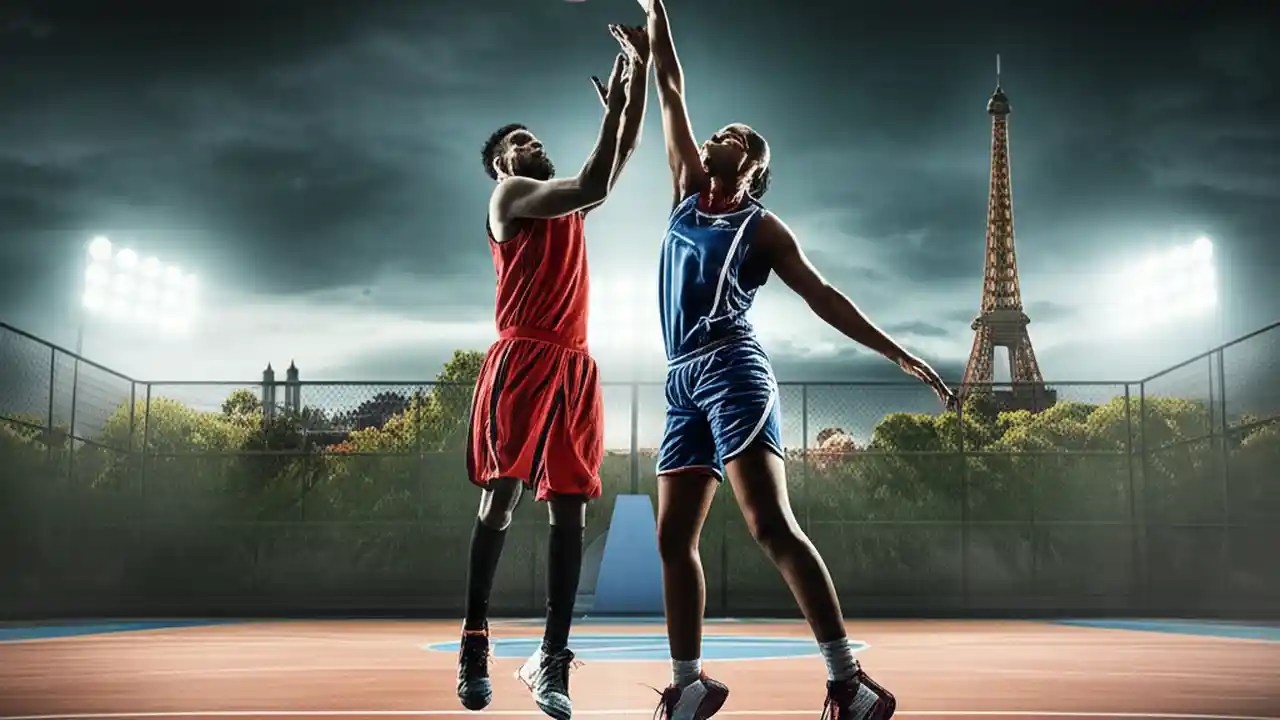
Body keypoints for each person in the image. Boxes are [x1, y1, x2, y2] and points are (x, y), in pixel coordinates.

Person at [637, 1, 956, 718]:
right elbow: (671, 87)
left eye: (737, 138)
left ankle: (849, 681)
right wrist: (657, 15)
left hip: (732, 371)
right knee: (671, 538)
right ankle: (689, 683)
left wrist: (900, 353)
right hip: (680, 380)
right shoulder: (685, 193)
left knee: (770, 525)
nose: (719, 136)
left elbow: (823, 296)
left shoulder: (762, 228)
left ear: (753, 168)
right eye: (719, 132)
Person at [455, 24, 651, 720]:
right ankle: (474, 640)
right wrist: (614, 105)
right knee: (502, 500)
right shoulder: (509, 198)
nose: (532, 144)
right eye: (519, 142)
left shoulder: (568, 207)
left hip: (573, 364)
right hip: (523, 357)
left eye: (536, 139)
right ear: (501, 165)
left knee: (571, 508)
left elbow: (619, 159)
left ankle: (552, 658)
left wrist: (636, 73)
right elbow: (597, 175)